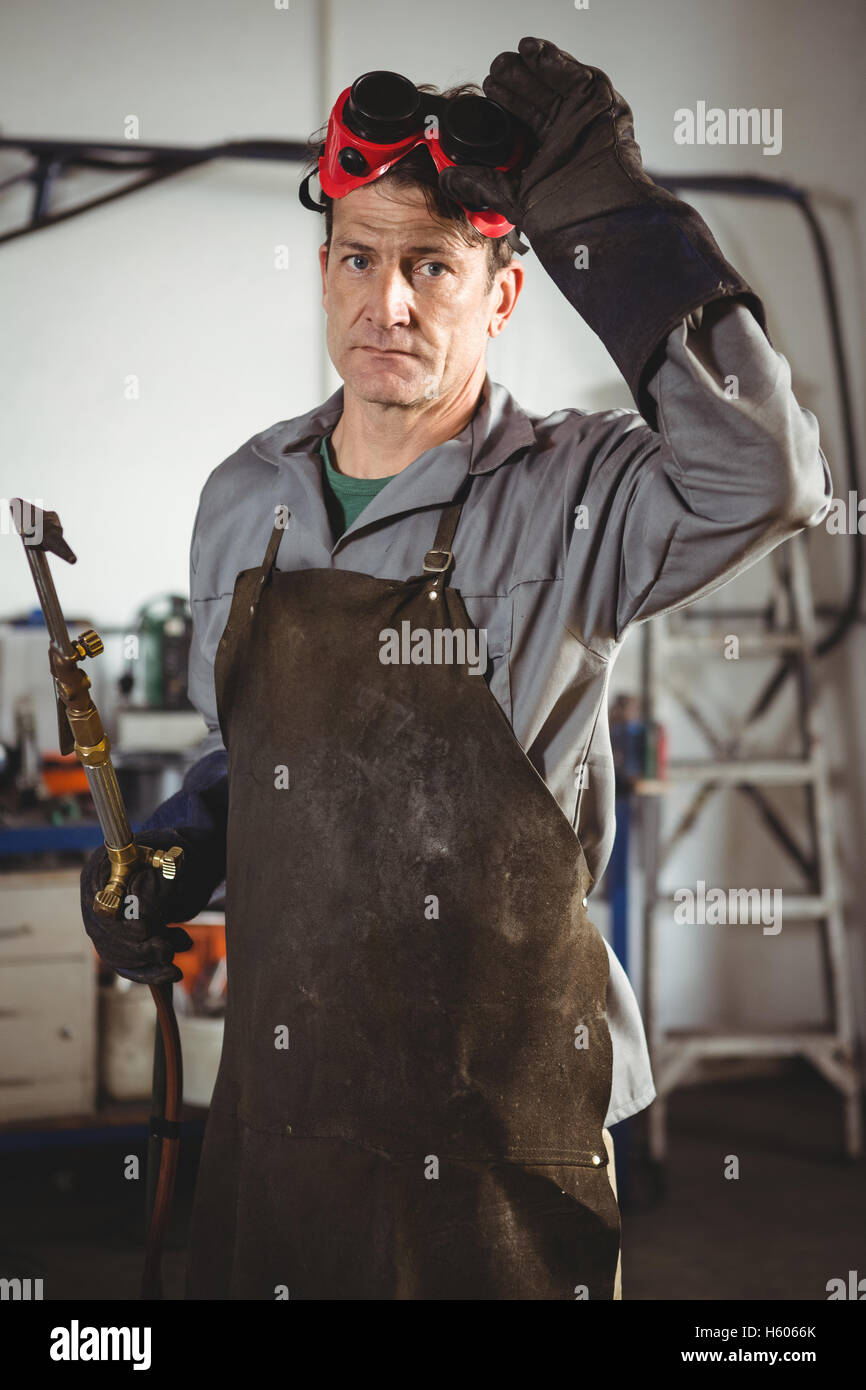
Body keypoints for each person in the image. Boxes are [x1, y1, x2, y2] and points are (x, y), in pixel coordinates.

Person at [81, 37, 831, 1300]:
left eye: (432, 265)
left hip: (500, 1111)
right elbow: (253, 750)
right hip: (288, 1094)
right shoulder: (241, 496)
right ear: (322, 273)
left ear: (501, 293)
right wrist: (180, 843)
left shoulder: (582, 488)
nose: (390, 303)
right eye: (361, 259)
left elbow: (771, 478)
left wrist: (606, 217)